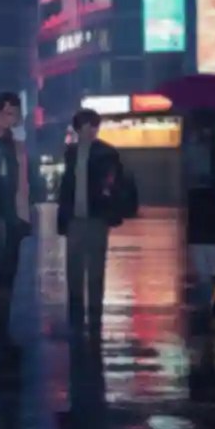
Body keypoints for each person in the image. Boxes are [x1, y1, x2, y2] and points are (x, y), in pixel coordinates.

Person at [0, 92, 42, 345]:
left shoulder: (15, 142)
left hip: (18, 209)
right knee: (2, 263)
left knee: (10, 263)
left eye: (14, 112)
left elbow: (24, 178)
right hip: (1, 211)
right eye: (7, 112)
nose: (12, 116)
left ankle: (1, 313)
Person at [57, 109, 125, 333]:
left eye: (93, 126)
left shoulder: (106, 153)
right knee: (74, 267)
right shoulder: (72, 153)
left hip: (96, 217)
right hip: (76, 218)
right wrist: (63, 218)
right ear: (78, 128)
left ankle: (94, 310)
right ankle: (77, 308)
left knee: (95, 267)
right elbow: (66, 186)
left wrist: (110, 209)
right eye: (86, 126)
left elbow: (115, 184)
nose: (90, 130)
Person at [182, 111, 215, 318]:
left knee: (211, 258)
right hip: (208, 213)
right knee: (210, 258)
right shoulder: (214, 153)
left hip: (208, 211)